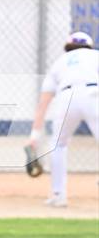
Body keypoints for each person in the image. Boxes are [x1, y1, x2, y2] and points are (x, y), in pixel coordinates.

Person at [28, 32, 98, 207]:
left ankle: (59, 195)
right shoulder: (95, 55)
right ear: (89, 45)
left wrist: (34, 136)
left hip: (66, 98)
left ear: (68, 47)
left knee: (58, 145)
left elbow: (43, 104)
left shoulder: (59, 63)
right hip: (94, 95)